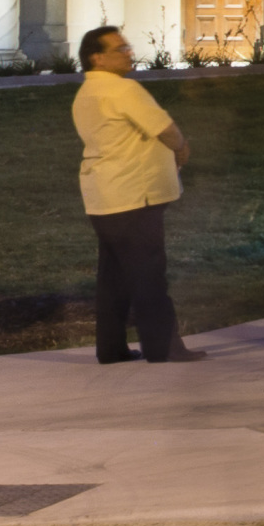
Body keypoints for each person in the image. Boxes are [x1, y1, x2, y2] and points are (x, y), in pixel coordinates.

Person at [72, 28, 193, 364]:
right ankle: (164, 348)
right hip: (135, 196)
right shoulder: (123, 89)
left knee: (113, 279)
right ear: (97, 57)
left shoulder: (86, 93)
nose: (129, 52)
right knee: (148, 274)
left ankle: (111, 349)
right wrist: (181, 150)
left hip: (103, 197)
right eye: (121, 47)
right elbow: (165, 129)